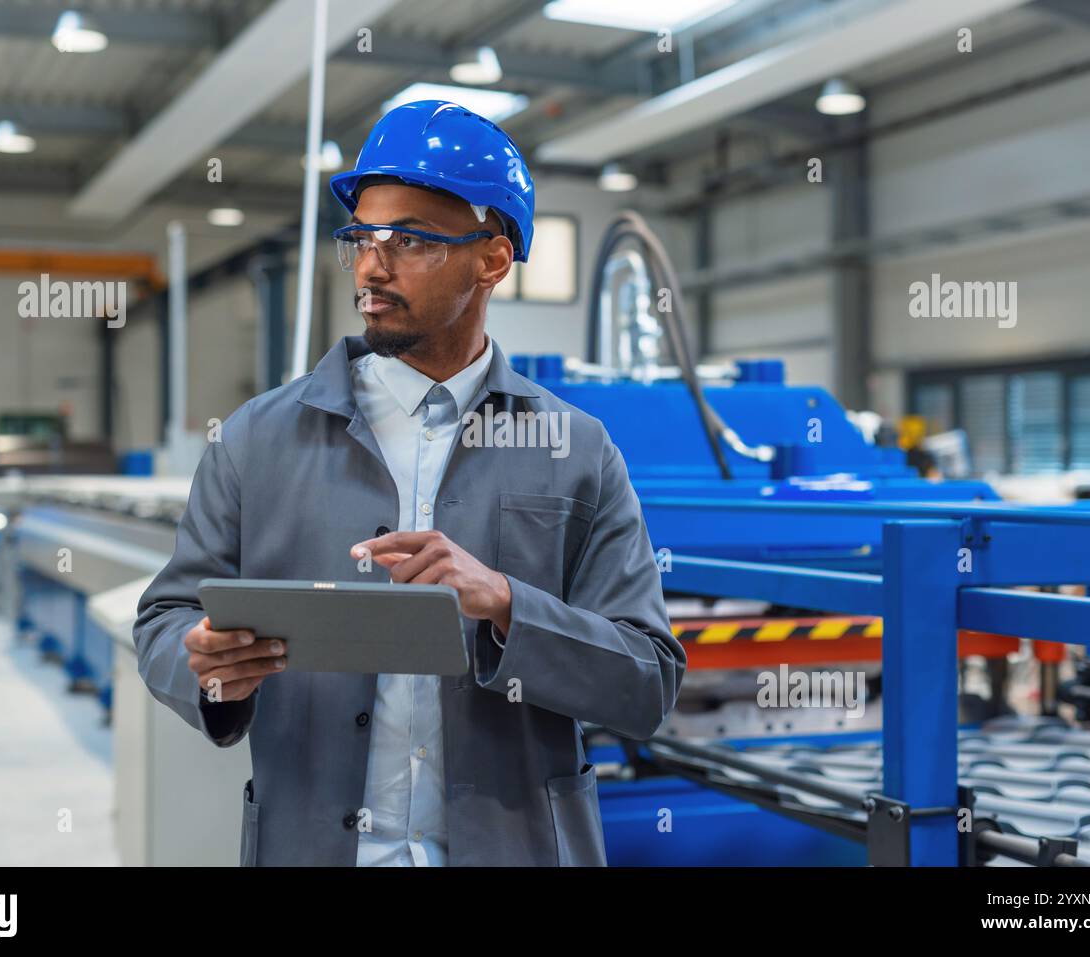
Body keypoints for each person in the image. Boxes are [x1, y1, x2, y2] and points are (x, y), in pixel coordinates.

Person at [132, 99, 685, 866]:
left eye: (409, 239)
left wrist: (507, 606)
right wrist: (202, 662)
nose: (371, 265)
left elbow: (647, 680)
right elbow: (165, 616)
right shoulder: (258, 440)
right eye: (360, 236)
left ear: (492, 258)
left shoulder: (575, 450)